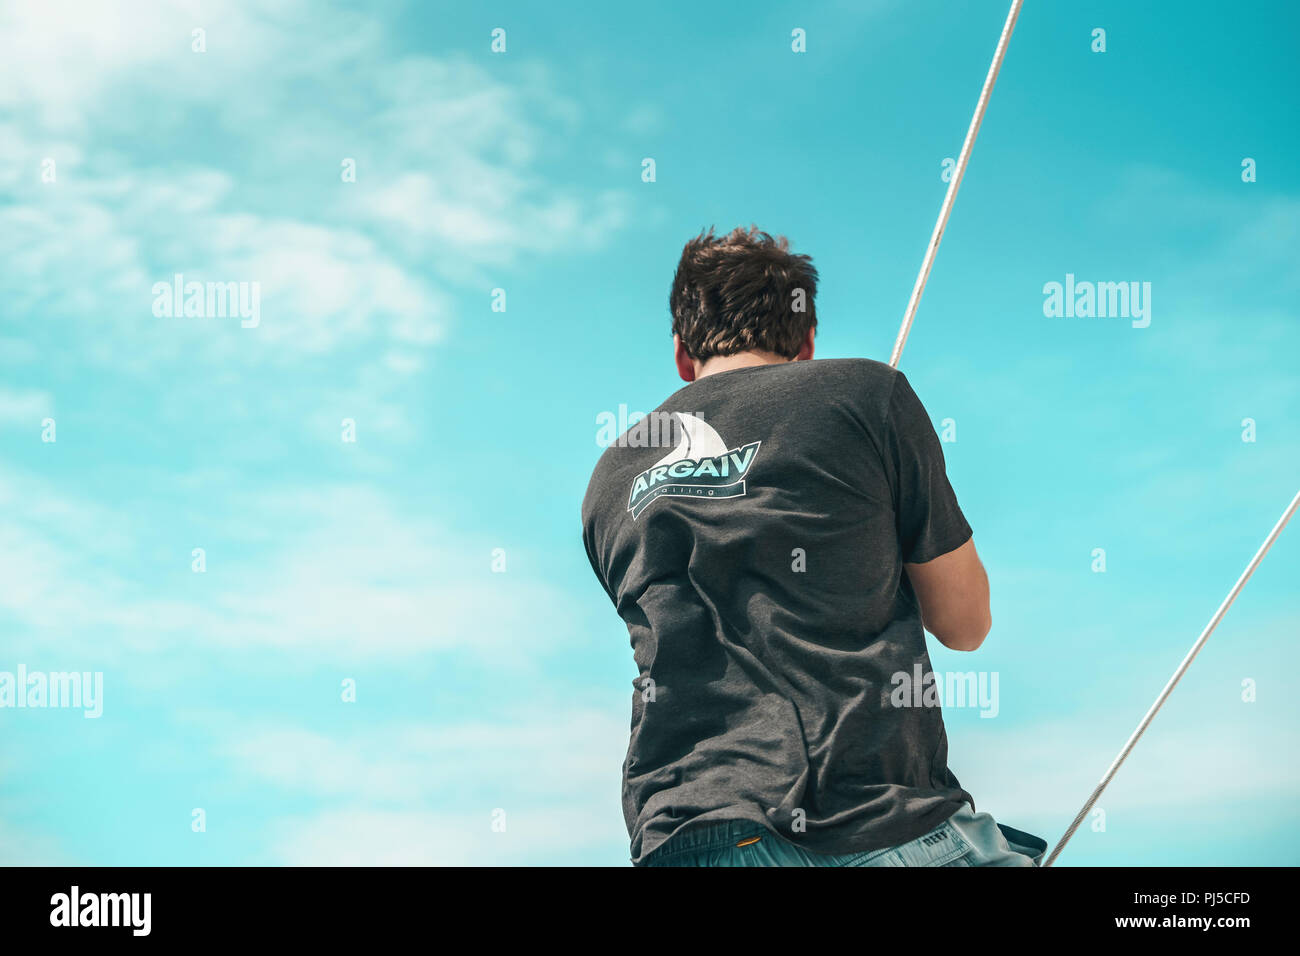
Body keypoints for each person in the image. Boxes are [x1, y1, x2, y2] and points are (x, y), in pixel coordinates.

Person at [580, 226, 1043, 867]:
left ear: (684, 355)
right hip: (872, 820)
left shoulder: (609, 477)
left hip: (684, 835)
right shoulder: (868, 396)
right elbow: (966, 625)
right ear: (806, 343)